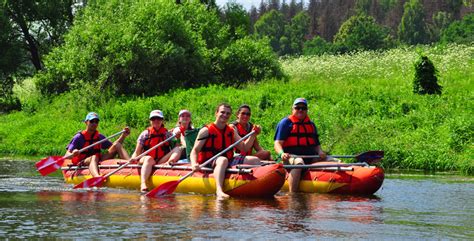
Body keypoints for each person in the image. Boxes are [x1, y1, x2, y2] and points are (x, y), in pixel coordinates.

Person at [190, 103, 262, 198]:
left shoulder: (231, 130)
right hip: (210, 160)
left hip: (228, 159)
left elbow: (244, 147)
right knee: (222, 160)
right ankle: (219, 190)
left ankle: (255, 185)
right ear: (216, 113)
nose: (225, 115)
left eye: (228, 113)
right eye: (222, 112)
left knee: (255, 160)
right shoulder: (206, 130)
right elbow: (194, 150)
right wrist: (194, 163)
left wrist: (253, 135)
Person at [274, 98, 327, 192]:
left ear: (307, 110)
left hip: (310, 156)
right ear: (292, 109)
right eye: (298, 107)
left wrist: (320, 151)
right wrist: (282, 154)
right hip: (290, 157)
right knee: (299, 162)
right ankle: (293, 195)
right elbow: (277, 143)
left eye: (303, 108)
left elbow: (316, 144)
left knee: (331, 160)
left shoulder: (311, 124)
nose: (300, 110)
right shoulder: (286, 123)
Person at [65, 112, 130, 178]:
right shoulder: (79, 137)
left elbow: (113, 147)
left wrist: (123, 136)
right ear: (86, 122)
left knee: (117, 145)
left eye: (96, 122)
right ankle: (96, 176)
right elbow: (67, 155)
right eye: (92, 121)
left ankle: (131, 163)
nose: (94, 123)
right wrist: (73, 153)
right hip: (83, 161)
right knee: (94, 157)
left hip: (99, 159)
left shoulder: (99, 137)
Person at [131, 110, 182, 193]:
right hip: (145, 159)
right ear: (150, 121)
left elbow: (176, 147)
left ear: (162, 120)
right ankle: (143, 184)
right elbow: (137, 151)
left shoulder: (167, 134)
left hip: (160, 160)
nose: (156, 121)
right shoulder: (145, 134)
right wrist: (133, 158)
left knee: (178, 149)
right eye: (153, 119)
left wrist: (178, 137)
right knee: (148, 159)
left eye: (158, 119)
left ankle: (170, 162)